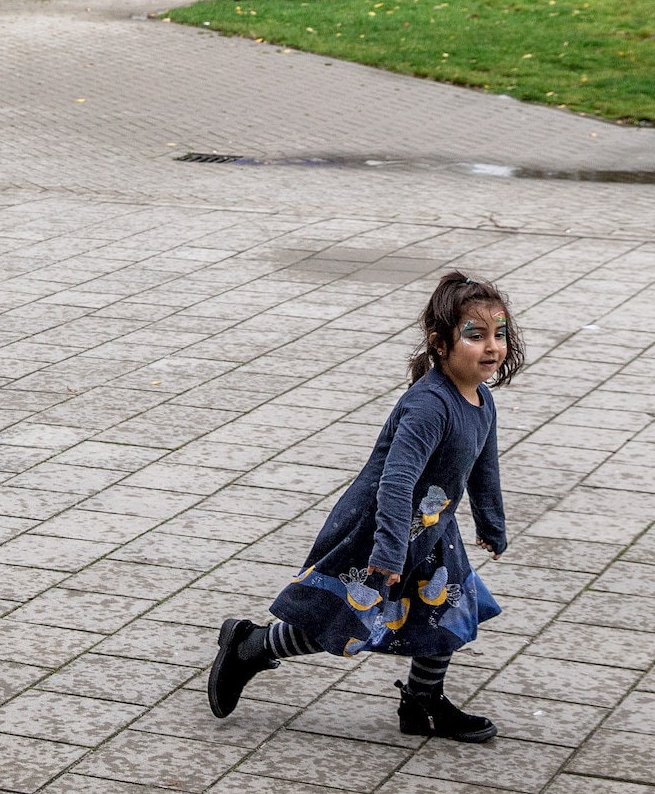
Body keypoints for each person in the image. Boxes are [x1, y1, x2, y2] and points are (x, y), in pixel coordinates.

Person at [207, 272, 519, 741]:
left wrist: (491, 523)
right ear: (439, 343)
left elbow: (482, 464)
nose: (492, 346)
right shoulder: (430, 406)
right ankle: (249, 645)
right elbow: (396, 481)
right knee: (346, 619)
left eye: (500, 333)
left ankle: (422, 704)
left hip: (431, 529)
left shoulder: (481, 398)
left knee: (447, 608)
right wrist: (389, 550)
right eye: (475, 335)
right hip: (380, 530)